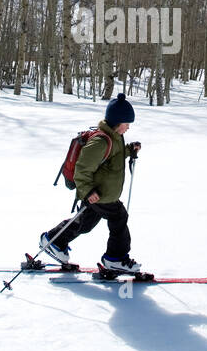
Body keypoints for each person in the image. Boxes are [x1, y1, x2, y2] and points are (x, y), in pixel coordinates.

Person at [39, 93, 143, 274]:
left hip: (101, 195)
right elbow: (82, 170)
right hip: (99, 195)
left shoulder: (115, 137)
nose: (128, 127)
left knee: (83, 224)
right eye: (126, 123)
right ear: (117, 122)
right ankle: (116, 258)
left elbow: (113, 158)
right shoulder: (100, 141)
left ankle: (54, 242)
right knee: (119, 217)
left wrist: (129, 150)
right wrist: (87, 192)